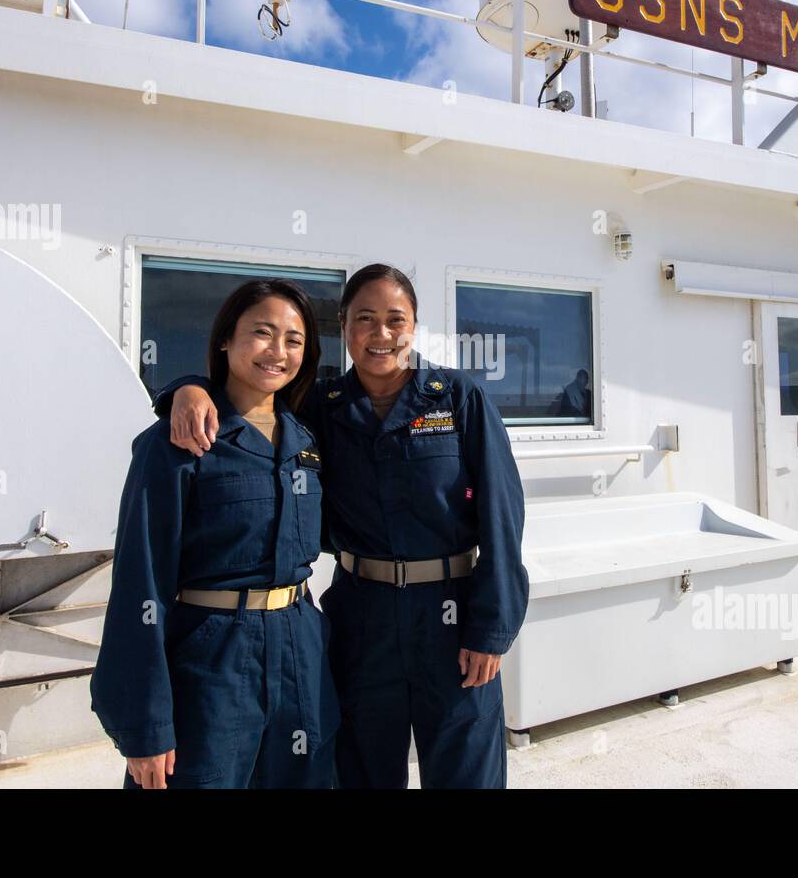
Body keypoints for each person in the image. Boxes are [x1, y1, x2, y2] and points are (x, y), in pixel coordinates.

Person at [154, 263, 527, 788]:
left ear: (415, 326)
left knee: (466, 769)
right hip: (361, 615)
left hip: (453, 614)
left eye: (395, 319)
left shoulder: (458, 398)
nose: (381, 335)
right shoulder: (323, 407)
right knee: (362, 768)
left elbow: (503, 517)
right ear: (344, 327)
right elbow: (251, 395)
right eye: (364, 319)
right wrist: (185, 389)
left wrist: (492, 627)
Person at [90, 278, 338, 789]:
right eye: (262, 333)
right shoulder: (178, 443)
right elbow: (142, 583)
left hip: (299, 655)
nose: (278, 351)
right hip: (211, 664)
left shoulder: (307, 441)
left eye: (294, 340)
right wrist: (145, 726)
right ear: (226, 338)